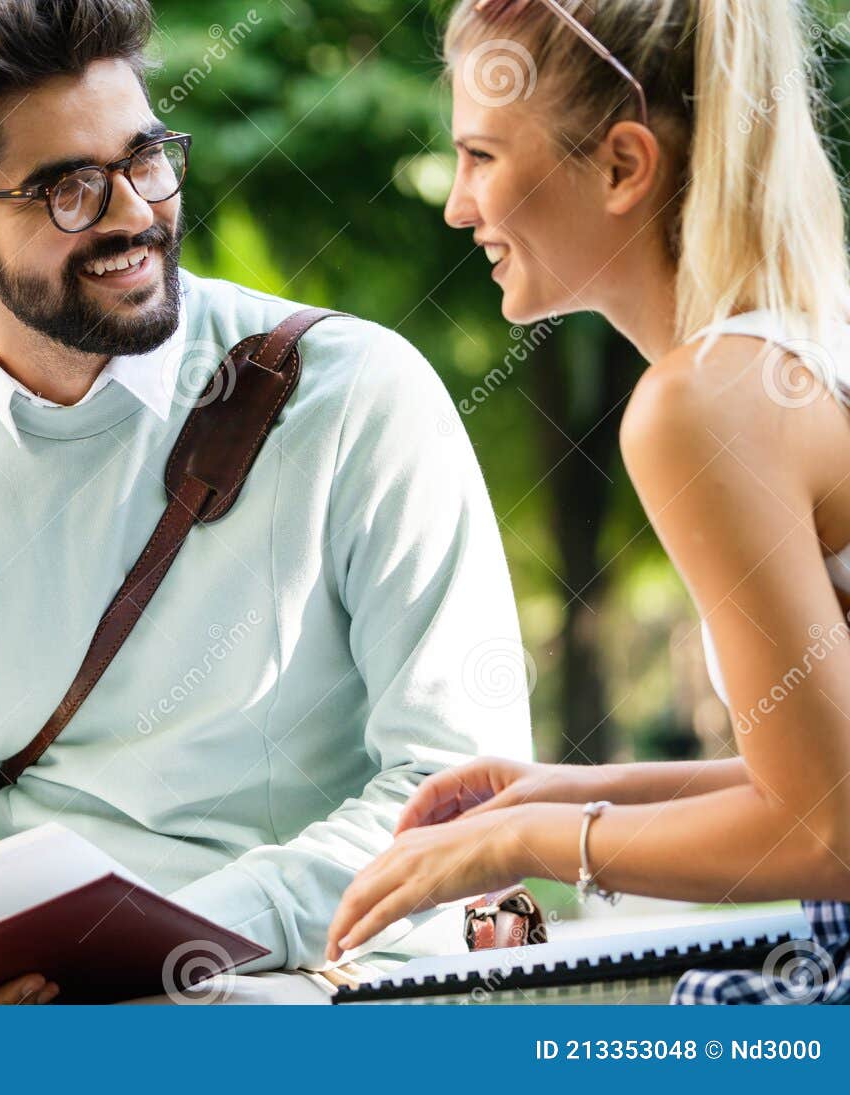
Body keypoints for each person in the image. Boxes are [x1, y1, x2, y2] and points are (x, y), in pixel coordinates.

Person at [0, 0, 530, 1005]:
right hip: (16, 997)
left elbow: (460, 788)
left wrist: (171, 946)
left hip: (313, 972)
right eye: (67, 188)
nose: (131, 212)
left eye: (145, 159)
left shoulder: (356, 393)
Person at [327, 0, 850, 1004]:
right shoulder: (795, 353)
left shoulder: (698, 405)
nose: (457, 204)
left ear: (620, 165)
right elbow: (823, 783)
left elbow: (826, 832)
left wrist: (525, 840)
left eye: (481, 156)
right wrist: (573, 792)